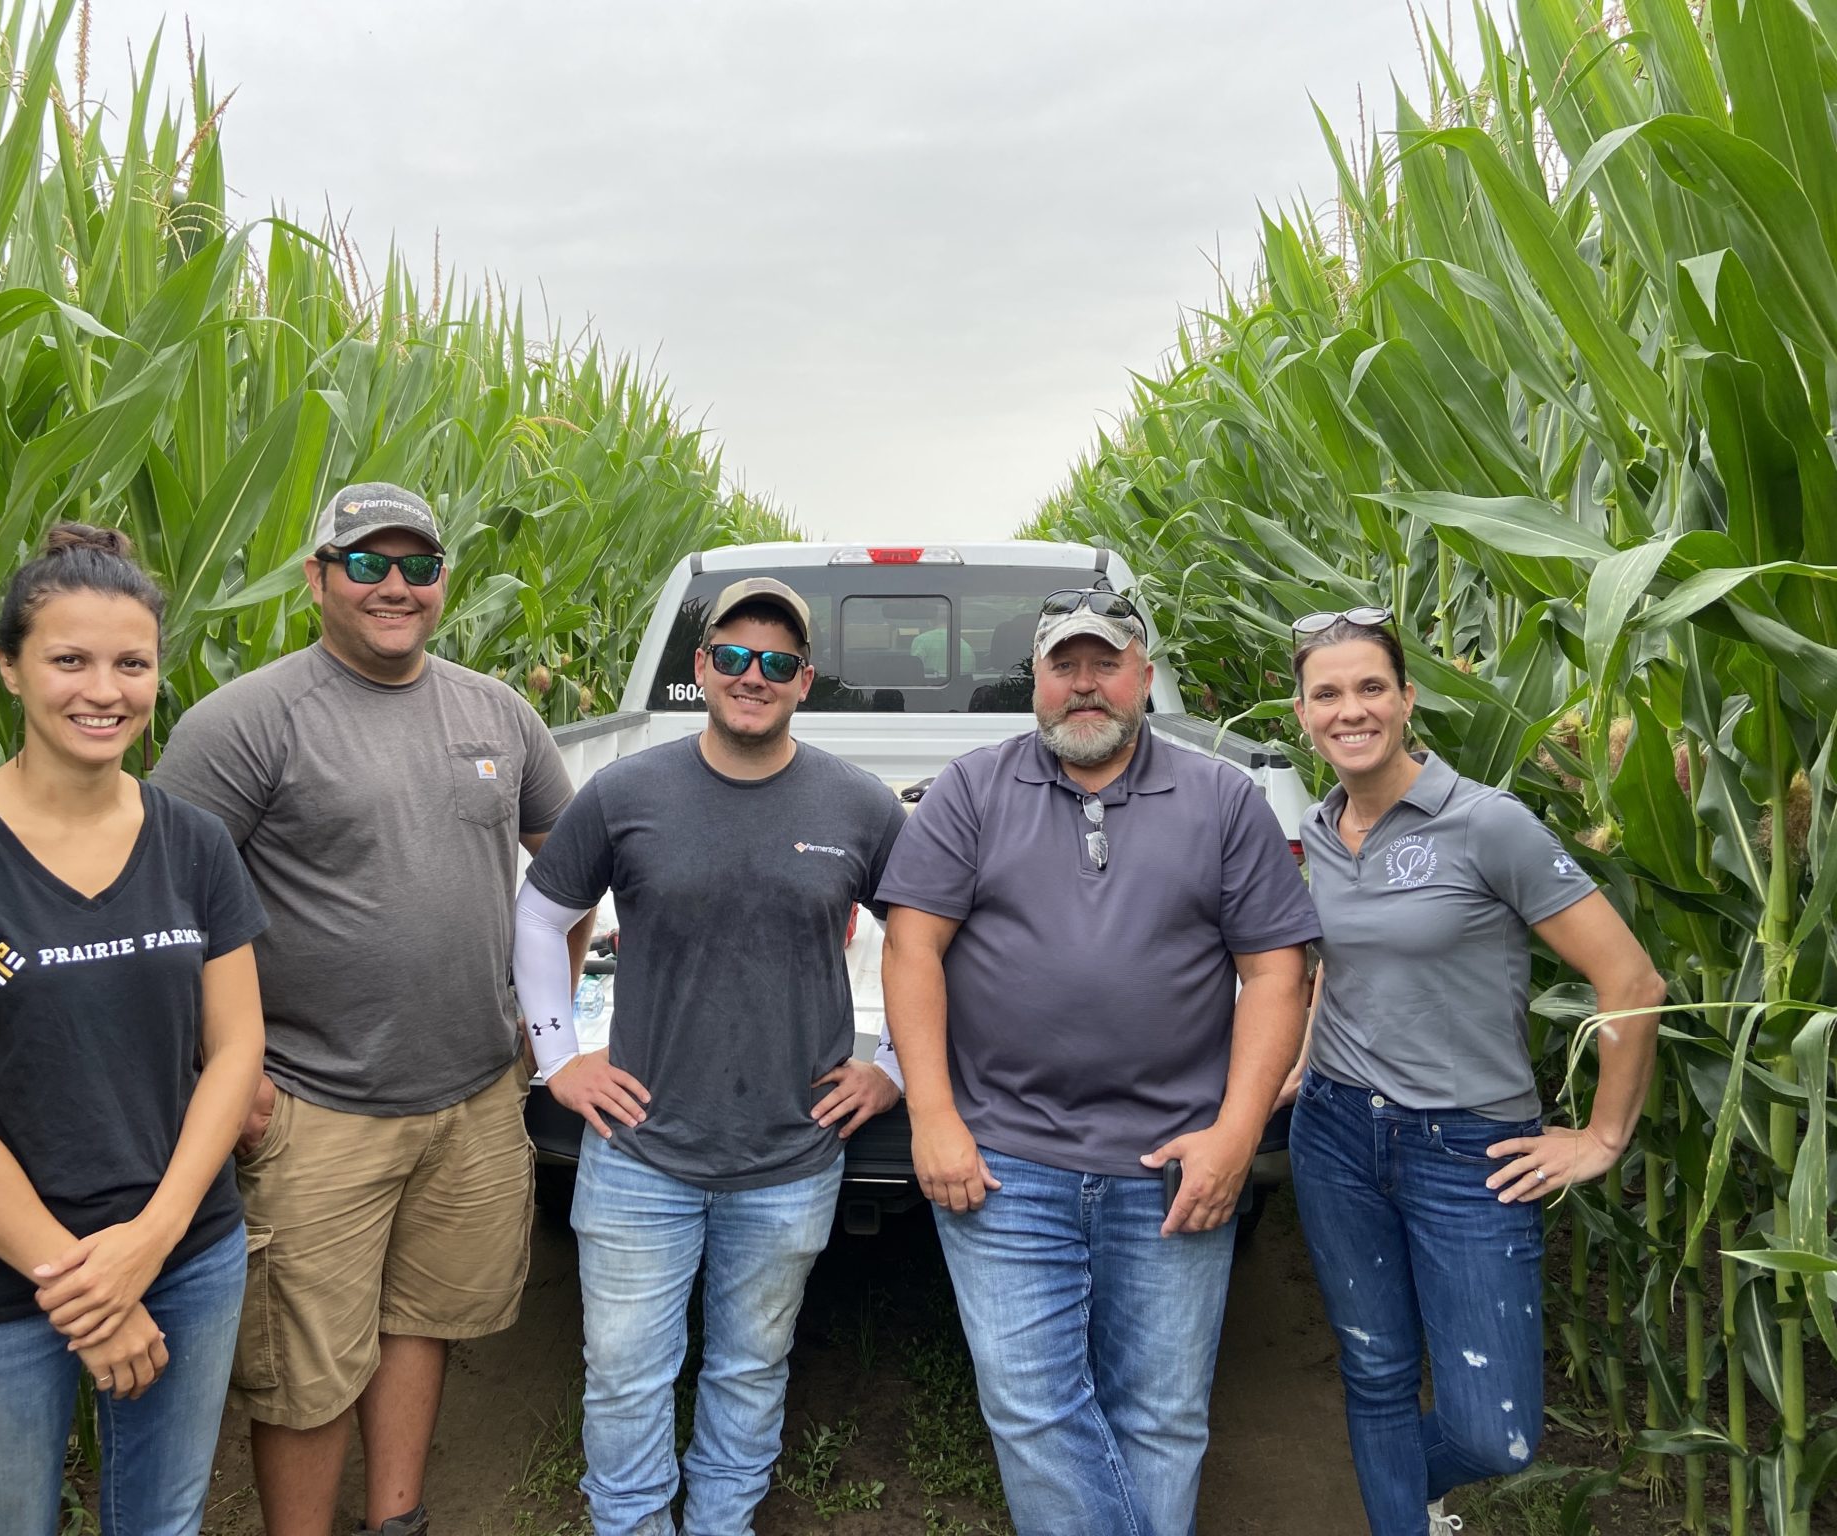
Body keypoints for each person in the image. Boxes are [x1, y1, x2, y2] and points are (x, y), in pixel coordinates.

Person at [150, 483, 589, 1536]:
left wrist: (545, 1032)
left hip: (473, 1097)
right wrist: (230, 1071)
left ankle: (399, 1520)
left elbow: (570, 876)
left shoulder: (496, 714)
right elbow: (163, 911)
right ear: (317, 577)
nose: (395, 586)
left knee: (422, 1320)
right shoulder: (247, 722)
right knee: (303, 1364)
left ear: (443, 582)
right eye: (366, 564)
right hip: (311, 1102)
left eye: (418, 566)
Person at [0, 525, 266, 1535]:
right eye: (68, 660)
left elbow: (237, 1051)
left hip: (188, 1256)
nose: (103, 689)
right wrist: (91, 1290)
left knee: (159, 1523)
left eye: (131, 664)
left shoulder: (193, 843)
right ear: (8, 668)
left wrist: (149, 1248)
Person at [879, 588, 1321, 1535]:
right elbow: (911, 949)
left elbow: (1275, 974)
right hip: (1004, 1161)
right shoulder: (970, 790)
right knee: (1033, 1412)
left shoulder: (1222, 799)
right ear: (1035, 683)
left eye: (1105, 663)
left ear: (1144, 677)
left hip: (1174, 1164)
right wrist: (934, 1117)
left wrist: (1237, 1136)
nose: (1086, 685)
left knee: (1160, 1419)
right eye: (1064, 666)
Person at [511, 576, 910, 1536]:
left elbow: (927, 939)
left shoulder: (858, 805)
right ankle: (634, 1524)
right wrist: (560, 1057)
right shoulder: (626, 791)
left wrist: (892, 1064)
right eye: (732, 656)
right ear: (701, 669)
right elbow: (542, 912)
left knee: (749, 1364)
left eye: (776, 663)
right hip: (640, 1149)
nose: (752, 676)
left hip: (790, 1154)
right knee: (625, 1374)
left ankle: (722, 1521)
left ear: (803, 682)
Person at [1278, 609, 1663, 1536]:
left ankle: (1407, 1492)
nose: (1351, 710)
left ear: (1409, 700)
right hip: (1333, 1133)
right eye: (1327, 693)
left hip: (1468, 1150)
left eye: (1371, 687)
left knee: (1497, 1438)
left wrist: (1604, 1136)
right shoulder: (1318, 830)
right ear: (1301, 714)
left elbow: (1631, 978)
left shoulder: (1489, 824)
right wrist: (1299, 1061)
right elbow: (1343, 962)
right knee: (1373, 1370)